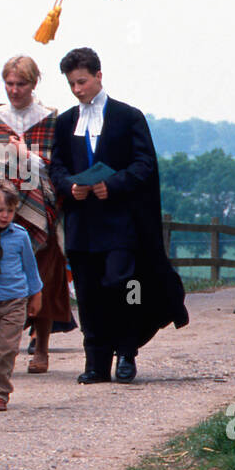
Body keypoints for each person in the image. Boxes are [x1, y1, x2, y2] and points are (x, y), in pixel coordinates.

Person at [48, 48, 188, 383]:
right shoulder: (67, 121)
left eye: (82, 81)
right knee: (88, 292)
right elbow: (57, 166)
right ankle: (96, 362)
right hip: (82, 223)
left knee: (124, 285)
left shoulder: (128, 116)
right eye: (71, 84)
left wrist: (113, 184)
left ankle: (126, 352)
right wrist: (69, 186)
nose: (78, 89)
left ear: (98, 75)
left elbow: (144, 164)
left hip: (121, 222)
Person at [0, 55, 74, 373]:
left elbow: (53, 163)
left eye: (21, 84)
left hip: (40, 205)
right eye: (9, 83)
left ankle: (42, 348)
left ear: (34, 84)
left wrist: (25, 156)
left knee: (45, 275)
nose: (14, 90)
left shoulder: (49, 118)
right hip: (2, 204)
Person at [0, 180, 43, 411]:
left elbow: (30, 268)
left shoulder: (20, 236)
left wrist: (36, 294)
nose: (5, 216)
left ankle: (0, 392)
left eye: (10, 211)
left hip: (14, 300)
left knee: (6, 349)